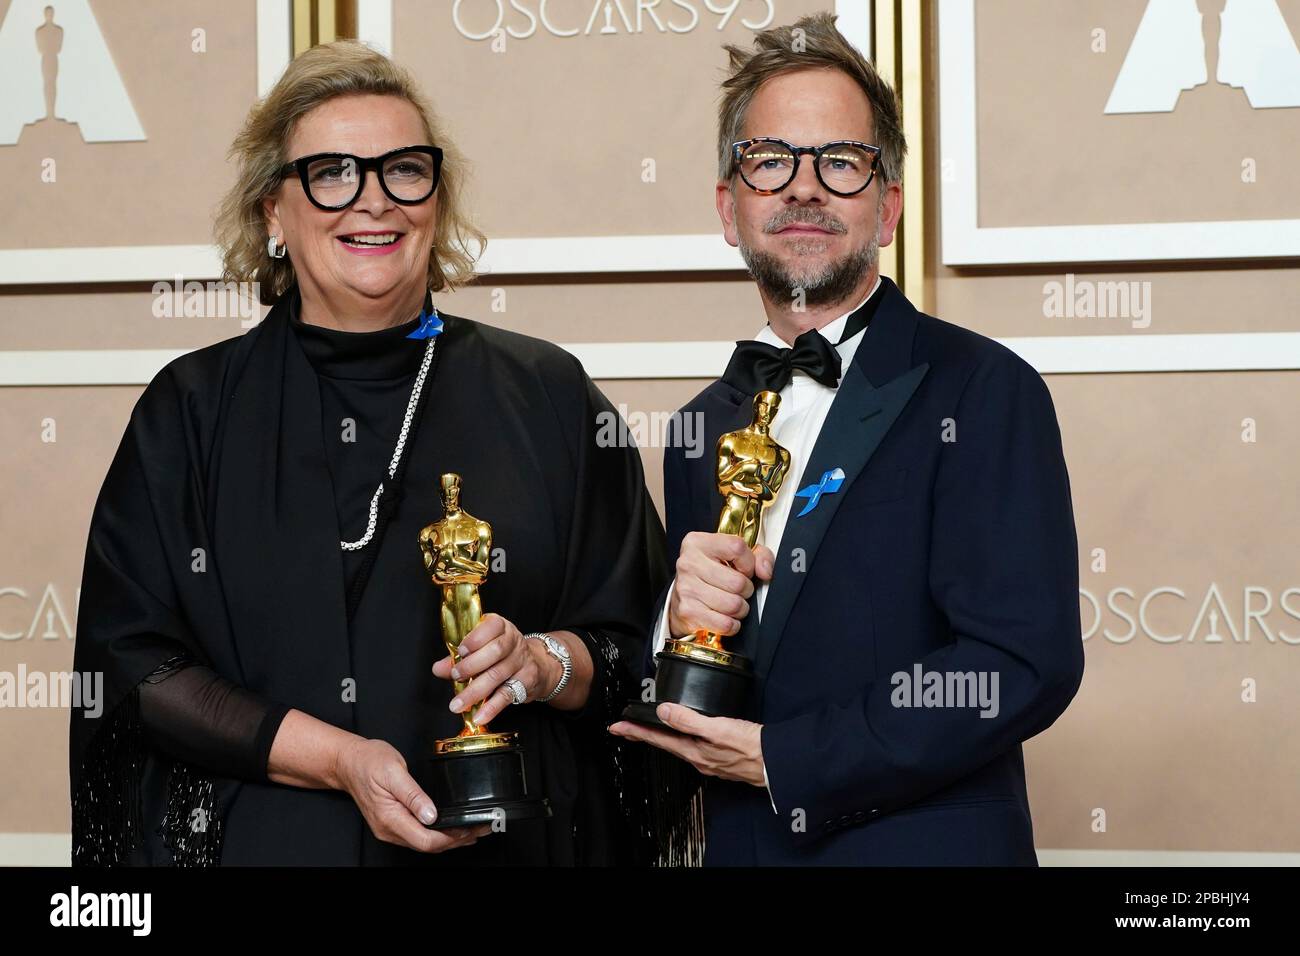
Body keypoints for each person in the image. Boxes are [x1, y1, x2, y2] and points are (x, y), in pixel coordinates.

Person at [70, 40, 665, 866]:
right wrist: (340, 761)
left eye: (403, 170)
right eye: (332, 172)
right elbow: (134, 670)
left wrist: (540, 661)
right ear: (273, 212)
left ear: (436, 196)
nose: (373, 201)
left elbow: (636, 646)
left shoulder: (548, 395)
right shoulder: (189, 411)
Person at [610, 13, 1084, 865]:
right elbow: (690, 668)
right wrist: (672, 625)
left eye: (840, 161)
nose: (804, 187)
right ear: (730, 206)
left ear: (888, 206)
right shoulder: (697, 427)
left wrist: (788, 761)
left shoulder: (982, 390)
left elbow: (1020, 662)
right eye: (771, 160)